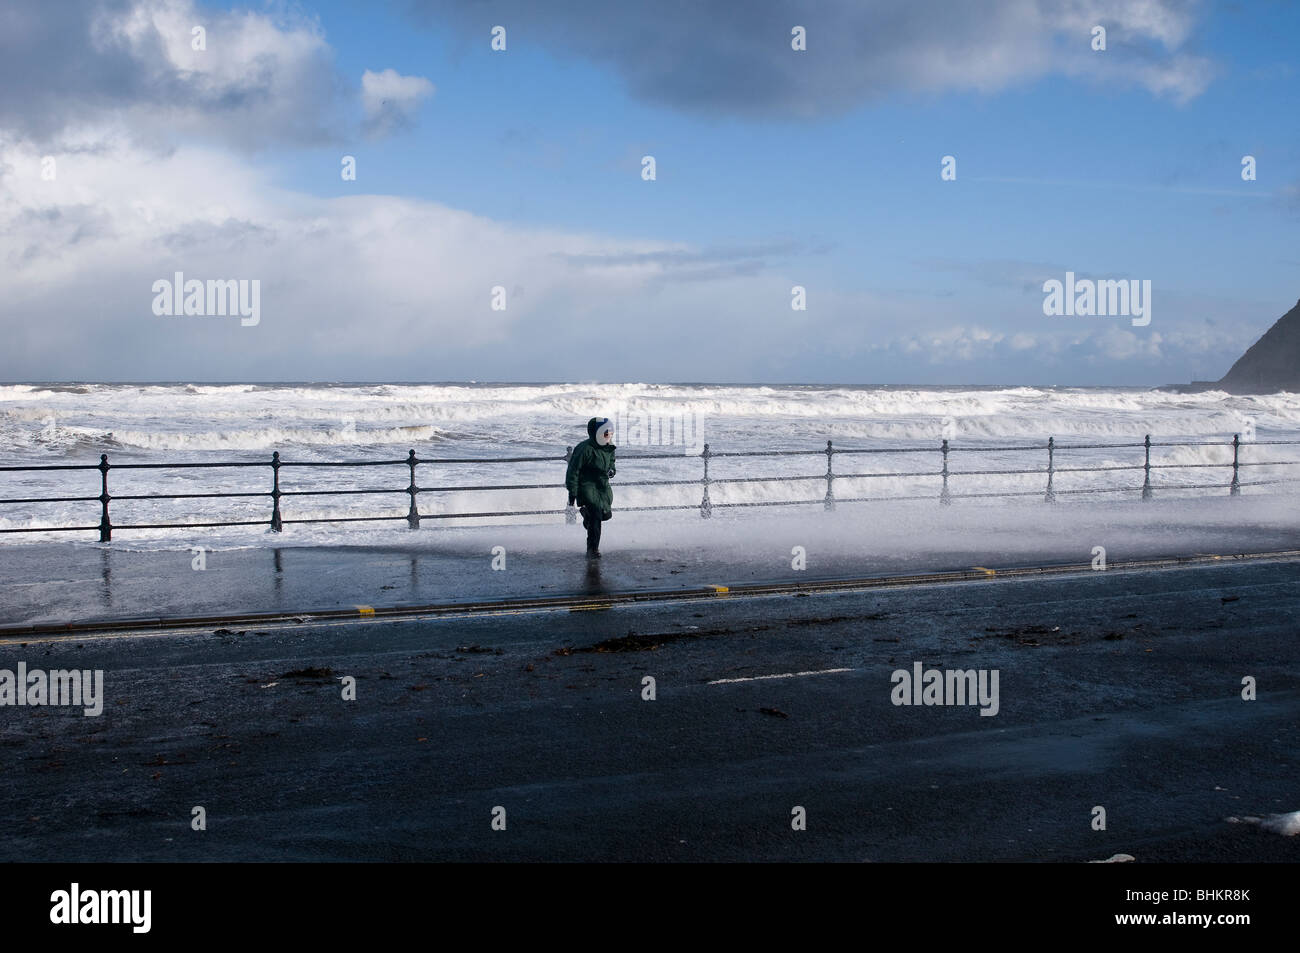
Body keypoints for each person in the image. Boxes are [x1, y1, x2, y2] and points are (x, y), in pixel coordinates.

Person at [566, 416, 616, 557]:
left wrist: (612, 469)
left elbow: (612, 459)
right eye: (606, 433)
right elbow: (573, 472)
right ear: (597, 433)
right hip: (586, 486)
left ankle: (586, 515)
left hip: (602, 486)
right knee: (596, 517)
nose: (609, 435)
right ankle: (592, 550)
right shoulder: (584, 449)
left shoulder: (608, 446)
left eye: (610, 433)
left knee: (605, 515)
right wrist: (572, 494)